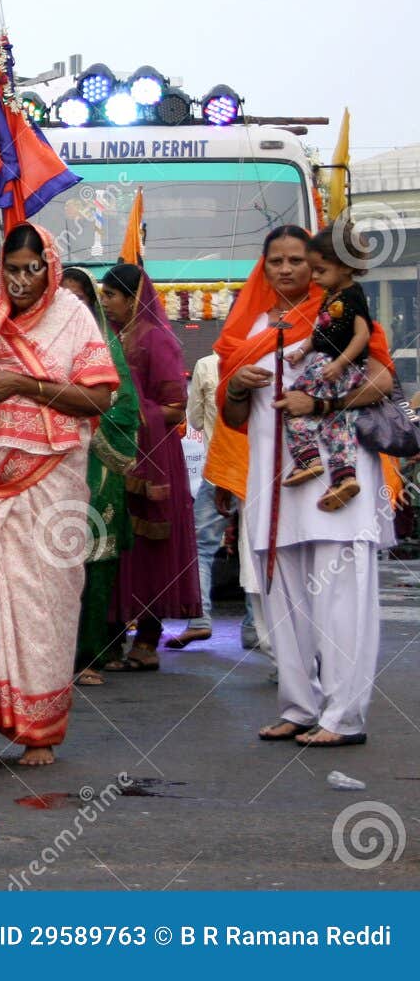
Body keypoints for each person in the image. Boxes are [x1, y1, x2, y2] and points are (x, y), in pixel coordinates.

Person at [0, 223, 116, 766]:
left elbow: (100, 398)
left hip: (46, 483)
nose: (20, 280)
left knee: (38, 606)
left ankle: (39, 730)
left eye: (31, 269)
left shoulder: (72, 316)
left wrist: (23, 386)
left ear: (50, 266)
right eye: (11, 269)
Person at [218, 225, 397, 748]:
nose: (287, 270)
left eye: (298, 260)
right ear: (264, 266)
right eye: (276, 261)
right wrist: (236, 384)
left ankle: (343, 717)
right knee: (283, 598)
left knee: (341, 597)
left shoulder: (340, 311)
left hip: (338, 479)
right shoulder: (247, 325)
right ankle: (299, 708)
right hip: (274, 480)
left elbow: (383, 381)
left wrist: (320, 404)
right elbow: (232, 417)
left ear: (316, 264)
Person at [98, 263, 201, 673]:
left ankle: (147, 640)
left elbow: (176, 409)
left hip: (153, 454)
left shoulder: (157, 340)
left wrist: (127, 410)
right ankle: (111, 639)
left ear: (132, 298)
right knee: (119, 545)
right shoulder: (115, 338)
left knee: (150, 548)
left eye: (111, 295)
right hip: (118, 453)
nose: (105, 303)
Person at [59, 267, 140, 684]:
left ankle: (89, 654)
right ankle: (46, 656)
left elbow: (125, 408)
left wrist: (81, 416)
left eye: (80, 299)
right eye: (63, 297)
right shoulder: (41, 343)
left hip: (94, 465)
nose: (71, 307)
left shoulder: (104, 345)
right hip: (48, 462)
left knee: (95, 557)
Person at [281, 226, 372, 512]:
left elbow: (362, 335)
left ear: (344, 266)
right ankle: (345, 478)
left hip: (336, 365)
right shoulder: (331, 294)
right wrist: (301, 351)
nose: (315, 277)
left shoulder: (352, 296)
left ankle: (308, 458)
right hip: (329, 361)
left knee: (291, 402)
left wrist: (339, 363)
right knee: (339, 423)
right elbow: (319, 331)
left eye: (320, 270)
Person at [168, 351, 225, 650]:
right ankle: (256, 628)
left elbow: (196, 421)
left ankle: (200, 620)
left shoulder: (206, 365)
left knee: (201, 544)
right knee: (260, 548)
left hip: (220, 470)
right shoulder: (271, 356)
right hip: (262, 474)